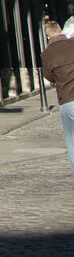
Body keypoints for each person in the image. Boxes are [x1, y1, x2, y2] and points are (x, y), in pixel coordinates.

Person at [41, 20, 74, 176]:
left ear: (48, 37)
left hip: (67, 99)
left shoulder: (47, 54)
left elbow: (48, 76)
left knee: (72, 140)